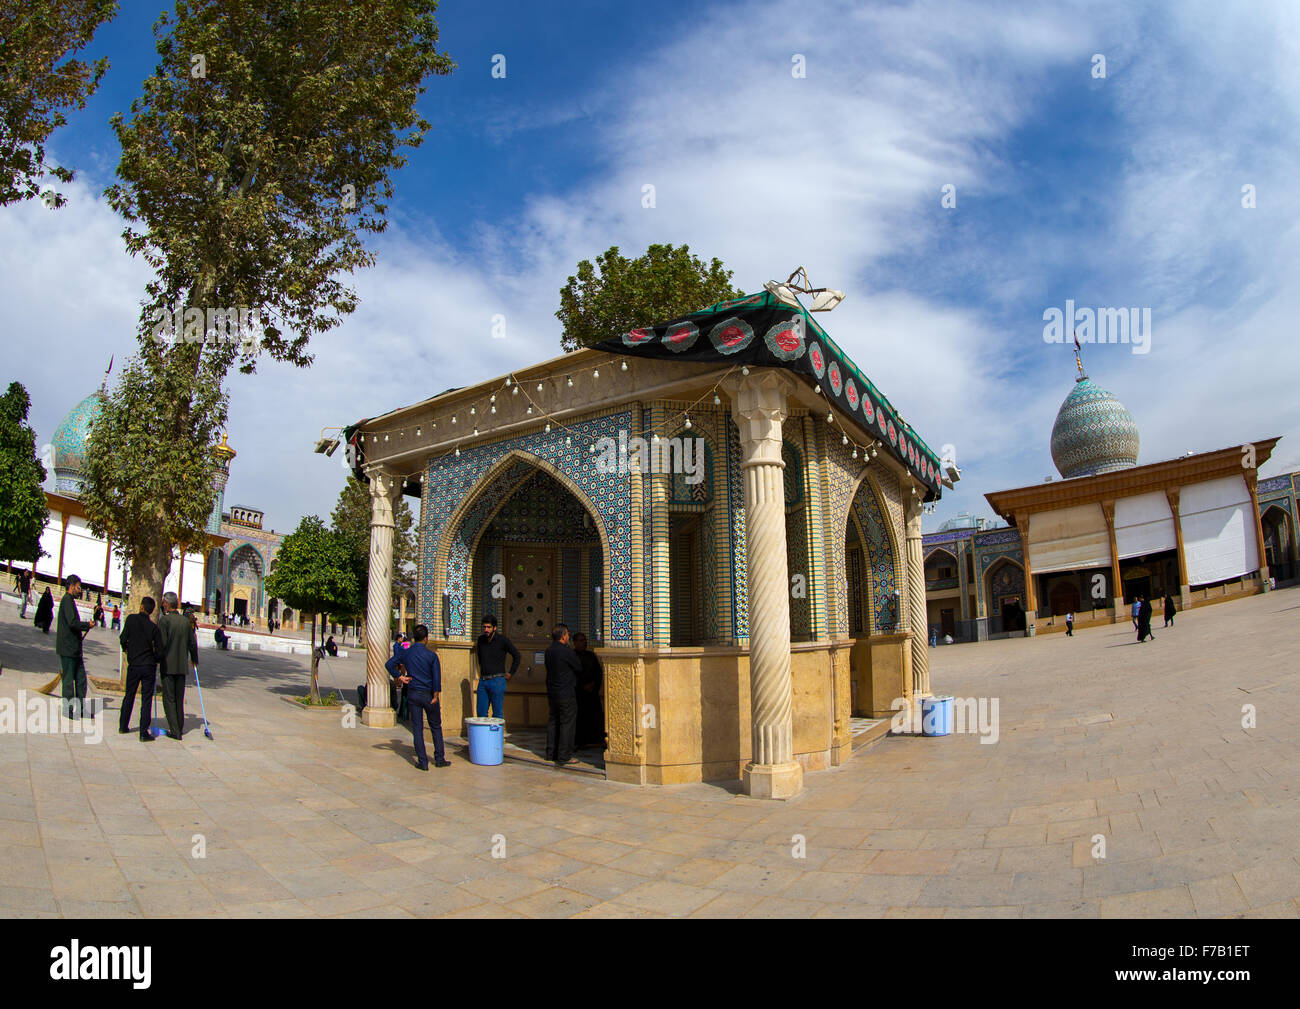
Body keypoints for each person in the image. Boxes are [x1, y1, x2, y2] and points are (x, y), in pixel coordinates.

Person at [385, 624, 449, 770]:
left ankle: (423, 762)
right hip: (428, 695)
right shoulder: (431, 656)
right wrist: (436, 695)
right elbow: (436, 678)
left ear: (414, 638)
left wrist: (400, 676)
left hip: (413, 693)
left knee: (417, 728)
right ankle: (439, 759)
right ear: (426, 638)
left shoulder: (406, 653)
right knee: (435, 726)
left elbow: (389, 664)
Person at [118, 596, 163, 741]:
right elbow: (160, 652)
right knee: (146, 699)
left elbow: (123, 638)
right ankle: (143, 732)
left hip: (135, 664)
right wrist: (154, 659)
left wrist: (127, 650)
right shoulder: (153, 628)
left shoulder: (131, 620)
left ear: (142, 607)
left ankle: (123, 725)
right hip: (148, 666)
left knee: (129, 695)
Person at [158, 592, 197, 739]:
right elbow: (192, 643)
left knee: (169, 698)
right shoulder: (185, 622)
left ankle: (175, 731)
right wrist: (194, 659)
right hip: (181, 666)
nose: (162, 604)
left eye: (164, 602)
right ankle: (179, 727)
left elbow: (162, 643)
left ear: (168, 603)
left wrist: (156, 658)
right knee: (179, 698)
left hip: (168, 666)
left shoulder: (165, 621)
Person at [55, 574, 94, 719]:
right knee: (68, 681)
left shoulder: (70, 601)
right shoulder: (67, 600)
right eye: (78, 587)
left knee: (81, 680)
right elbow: (72, 623)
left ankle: (82, 708)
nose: (80, 590)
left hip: (75, 649)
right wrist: (86, 625)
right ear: (71, 587)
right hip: (68, 648)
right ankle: (68, 709)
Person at [544, 623, 581, 766]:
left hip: (552, 692)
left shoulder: (549, 651)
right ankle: (564, 756)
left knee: (553, 722)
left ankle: (550, 752)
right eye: (567, 635)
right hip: (565, 692)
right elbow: (578, 666)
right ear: (564, 635)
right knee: (567, 723)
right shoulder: (566, 651)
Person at [474, 614, 520, 719]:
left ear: (494, 628)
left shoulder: (502, 640)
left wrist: (511, 672)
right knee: (481, 713)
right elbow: (480, 658)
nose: (486, 630)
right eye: (484, 627)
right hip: (483, 680)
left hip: (497, 680)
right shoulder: (481, 640)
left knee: (497, 713)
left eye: (489, 627)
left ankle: (496, 735)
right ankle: (483, 736)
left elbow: (517, 655)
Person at [572, 632, 604, 750]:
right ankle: (581, 741)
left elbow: (598, 672)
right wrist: (581, 686)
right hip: (578, 694)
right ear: (574, 643)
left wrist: (594, 685)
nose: (584, 642)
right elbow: (571, 675)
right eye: (581, 640)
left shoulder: (591, 656)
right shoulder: (572, 656)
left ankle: (597, 739)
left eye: (584, 640)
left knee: (596, 716)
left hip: (592, 693)